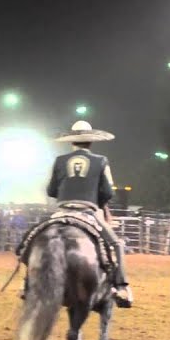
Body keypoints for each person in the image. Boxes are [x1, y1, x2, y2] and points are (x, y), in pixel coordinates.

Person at [41, 120, 132, 307]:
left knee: (35, 239)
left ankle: (28, 285)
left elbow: (51, 190)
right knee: (116, 244)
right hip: (88, 212)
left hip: (62, 212)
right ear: (91, 142)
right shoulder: (101, 161)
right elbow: (108, 192)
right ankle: (121, 286)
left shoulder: (59, 161)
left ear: (71, 142)